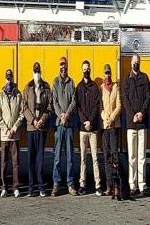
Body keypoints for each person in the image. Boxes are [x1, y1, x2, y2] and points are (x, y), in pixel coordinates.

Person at [123, 54, 150, 197]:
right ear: (130, 63)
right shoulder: (126, 80)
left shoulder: (145, 78)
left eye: (138, 62)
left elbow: (148, 98)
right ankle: (132, 186)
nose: (136, 64)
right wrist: (133, 114)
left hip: (142, 123)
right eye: (134, 62)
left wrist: (141, 113)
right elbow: (125, 99)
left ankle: (142, 185)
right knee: (132, 157)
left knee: (142, 157)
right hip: (131, 124)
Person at [23, 61, 52, 197]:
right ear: (32, 73)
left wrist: (42, 120)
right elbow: (24, 106)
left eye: (38, 72)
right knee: (31, 158)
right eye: (35, 72)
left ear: (41, 72)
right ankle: (30, 187)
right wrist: (33, 120)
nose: (37, 74)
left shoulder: (46, 87)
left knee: (40, 157)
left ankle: (41, 186)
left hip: (42, 127)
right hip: (31, 127)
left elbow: (49, 107)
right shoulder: (27, 87)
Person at [52, 56, 78, 197]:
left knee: (69, 156)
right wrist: (61, 115)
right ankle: (56, 184)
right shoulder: (55, 82)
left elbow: (74, 101)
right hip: (59, 124)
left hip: (68, 124)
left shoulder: (71, 82)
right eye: (61, 65)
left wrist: (67, 115)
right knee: (56, 156)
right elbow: (54, 101)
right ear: (59, 67)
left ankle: (70, 184)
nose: (63, 68)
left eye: (65, 66)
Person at [76, 59, 102, 196]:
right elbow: (78, 106)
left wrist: (90, 121)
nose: (86, 71)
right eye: (84, 69)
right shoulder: (79, 87)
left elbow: (96, 106)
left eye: (88, 68)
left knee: (95, 158)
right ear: (82, 70)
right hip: (82, 129)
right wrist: (84, 121)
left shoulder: (95, 87)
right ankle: (82, 184)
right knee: (82, 158)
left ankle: (98, 185)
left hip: (93, 129)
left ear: (90, 69)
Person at [0, 68, 23, 198]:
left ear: (13, 78)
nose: (9, 80)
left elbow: (22, 113)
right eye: (7, 77)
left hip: (15, 134)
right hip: (4, 134)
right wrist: (6, 129)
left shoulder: (18, 94)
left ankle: (16, 187)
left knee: (15, 162)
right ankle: (4, 187)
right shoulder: (1, 95)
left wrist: (15, 128)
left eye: (10, 77)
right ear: (5, 78)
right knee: (3, 162)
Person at [99, 63, 121, 197]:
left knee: (115, 156)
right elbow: (100, 106)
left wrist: (112, 119)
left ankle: (117, 185)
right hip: (104, 126)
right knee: (106, 157)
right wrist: (105, 119)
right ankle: (109, 186)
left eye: (109, 73)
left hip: (113, 126)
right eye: (105, 73)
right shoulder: (101, 88)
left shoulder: (115, 87)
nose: (107, 75)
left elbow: (119, 105)